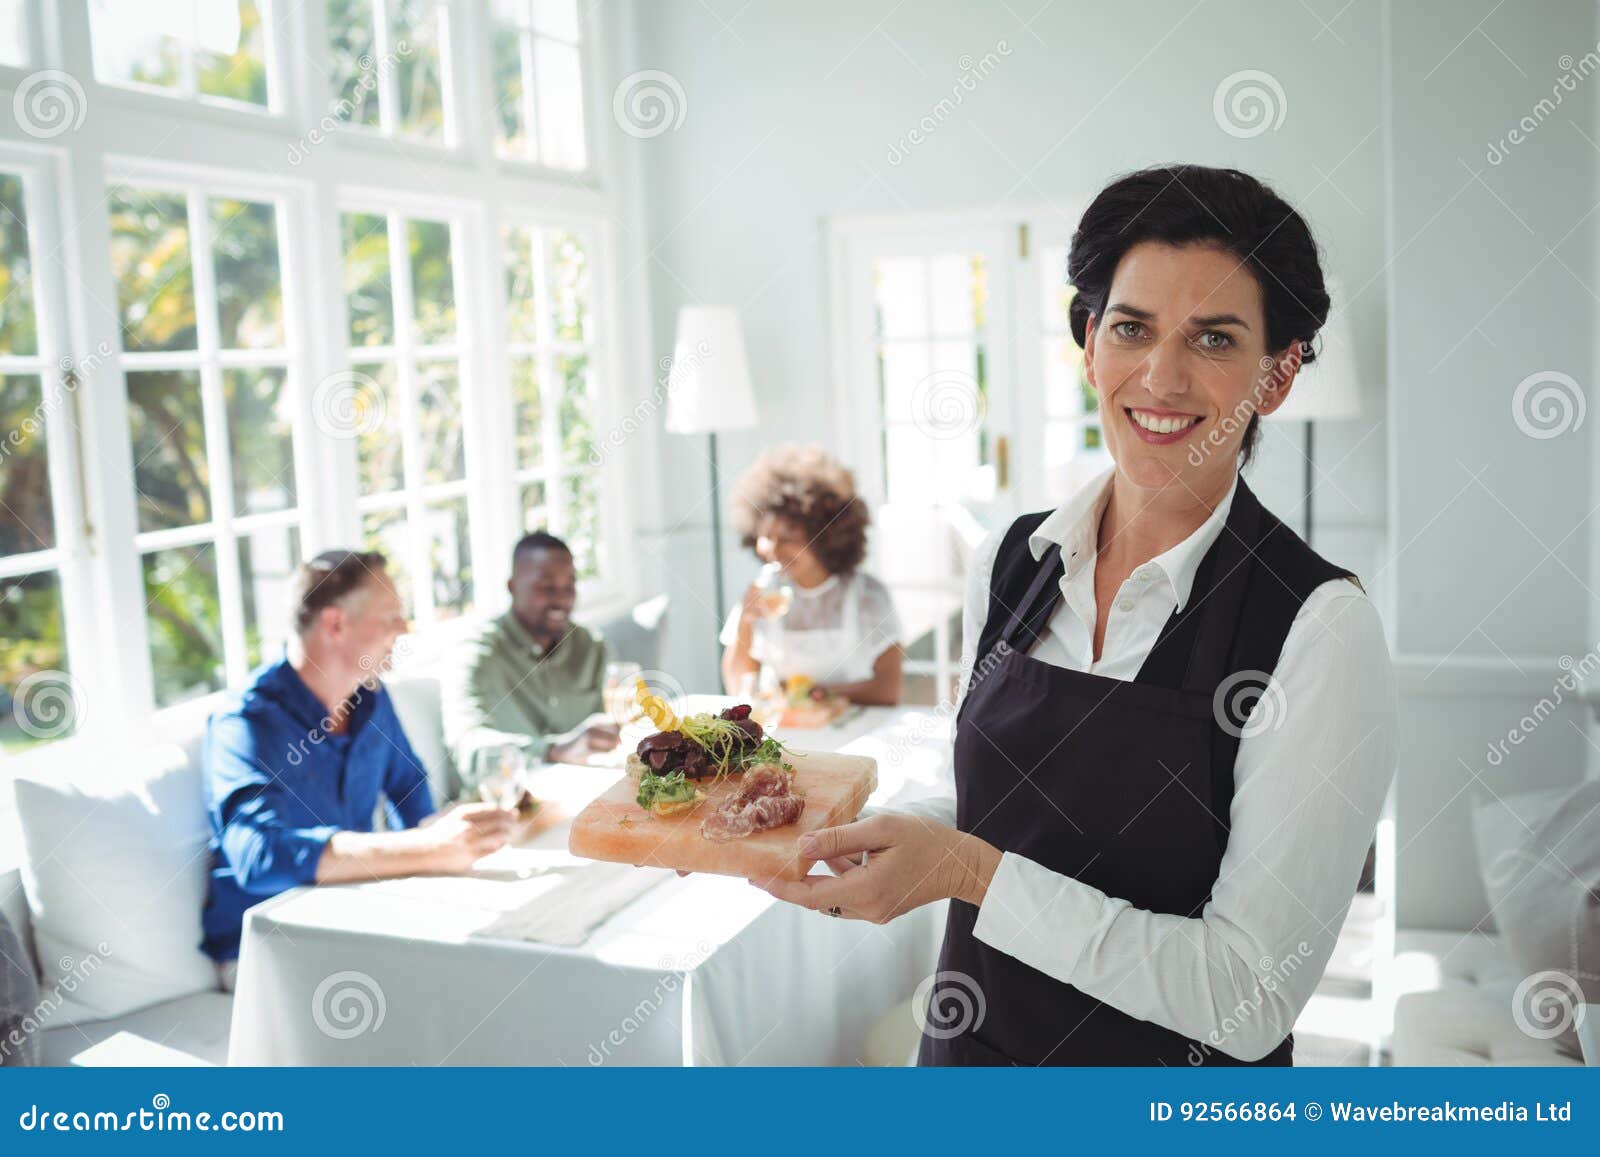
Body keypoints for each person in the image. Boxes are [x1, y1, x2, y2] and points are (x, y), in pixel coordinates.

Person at [753, 165, 1398, 1066]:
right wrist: (838, 835)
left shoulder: (1318, 629)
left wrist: (965, 871)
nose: (1162, 377)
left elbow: (1246, 997)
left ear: (1278, 373)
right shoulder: (1013, 561)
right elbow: (994, 804)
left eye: (1214, 338)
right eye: (1132, 328)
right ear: (1091, 343)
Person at [201, 550, 513, 982]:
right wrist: (427, 850)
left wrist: (458, 838)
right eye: (390, 617)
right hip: (265, 949)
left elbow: (410, 790)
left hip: (356, 918)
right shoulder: (246, 722)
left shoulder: (370, 698)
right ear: (335, 625)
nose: (403, 629)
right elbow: (260, 855)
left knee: (500, 949)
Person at [719, 444, 903, 706]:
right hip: (789, 733)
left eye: (788, 538)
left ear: (825, 538)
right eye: (765, 537)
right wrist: (745, 622)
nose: (772, 550)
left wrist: (812, 694)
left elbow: (888, 690)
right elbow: (738, 687)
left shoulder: (868, 596)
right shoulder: (763, 590)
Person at [444, 531, 619, 788]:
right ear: (513, 587)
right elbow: (468, 745)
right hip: (508, 806)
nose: (561, 599)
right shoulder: (477, 654)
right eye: (546, 587)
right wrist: (551, 751)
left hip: (584, 799)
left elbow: (615, 728)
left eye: (569, 586)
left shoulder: (591, 647)